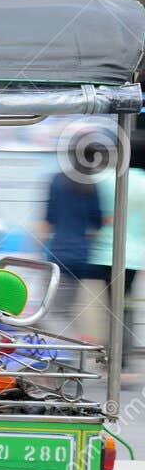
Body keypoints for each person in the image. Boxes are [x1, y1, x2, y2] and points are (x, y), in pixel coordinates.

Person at [78, 128, 145, 366]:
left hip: (104, 251)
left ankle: (113, 354)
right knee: (123, 306)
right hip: (135, 255)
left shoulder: (105, 177)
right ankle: (120, 356)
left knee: (108, 307)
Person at [38, 131, 105, 337]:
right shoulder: (93, 186)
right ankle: (70, 355)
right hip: (82, 256)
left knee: (50, 313)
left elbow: (48, 220)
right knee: (65, 311)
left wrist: (38, 250)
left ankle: (71, 356)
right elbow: (97, 222)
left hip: (59, 254)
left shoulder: (57, 181)